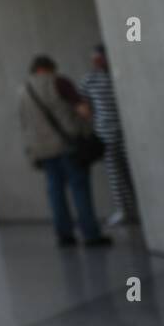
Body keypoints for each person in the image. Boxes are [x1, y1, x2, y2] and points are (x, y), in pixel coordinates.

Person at [19, 55, 110, 247]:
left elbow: (24, 124)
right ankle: (91, 234)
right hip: (68, 145)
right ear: (50, 67)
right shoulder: (58, 82)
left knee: (55, 192)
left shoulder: (23, 90)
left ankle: (64, 235)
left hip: (43, 150)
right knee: (79, 189)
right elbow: (83, 109)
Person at [79, 44, 138, 226]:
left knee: (133, 170)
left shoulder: (120, 74)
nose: (96, 61)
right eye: (94, 58)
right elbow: (84, 105)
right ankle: (124, 210)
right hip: (105, 132)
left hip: (128, 131)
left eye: (99, 58)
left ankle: (139, 206)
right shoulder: (90, 79)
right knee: (115, 173)